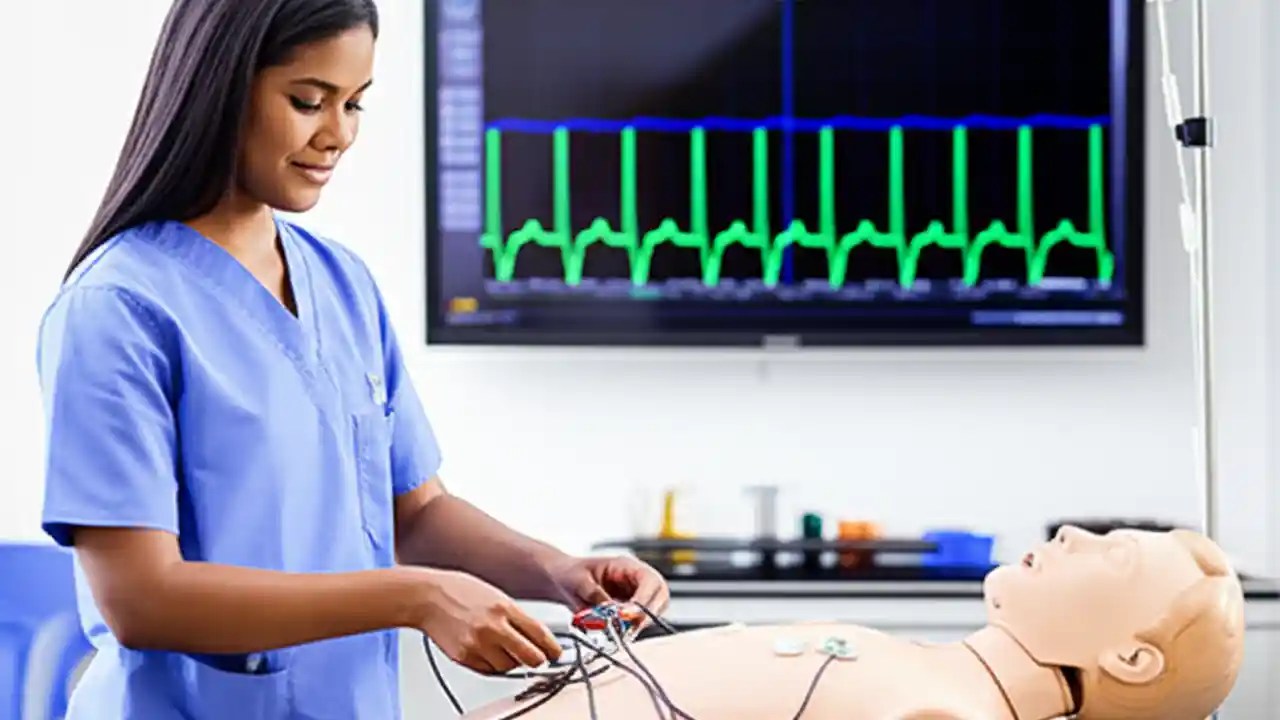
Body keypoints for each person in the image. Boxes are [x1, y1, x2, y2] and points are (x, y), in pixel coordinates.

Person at [37, 2, 667, 718]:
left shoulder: (341, 285)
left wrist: (555, 571)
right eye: (308, 101)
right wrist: (415, 596)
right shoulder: (118, 306)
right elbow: (141, 599)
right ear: (219, 87)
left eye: (355, 104)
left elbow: (415, 511)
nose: (337, 135)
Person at [463, 526, 1246, 720]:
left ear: (1131, 660)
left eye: (1111, 556)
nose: (1075, 535)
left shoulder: (944, 712)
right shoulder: (936, 676)